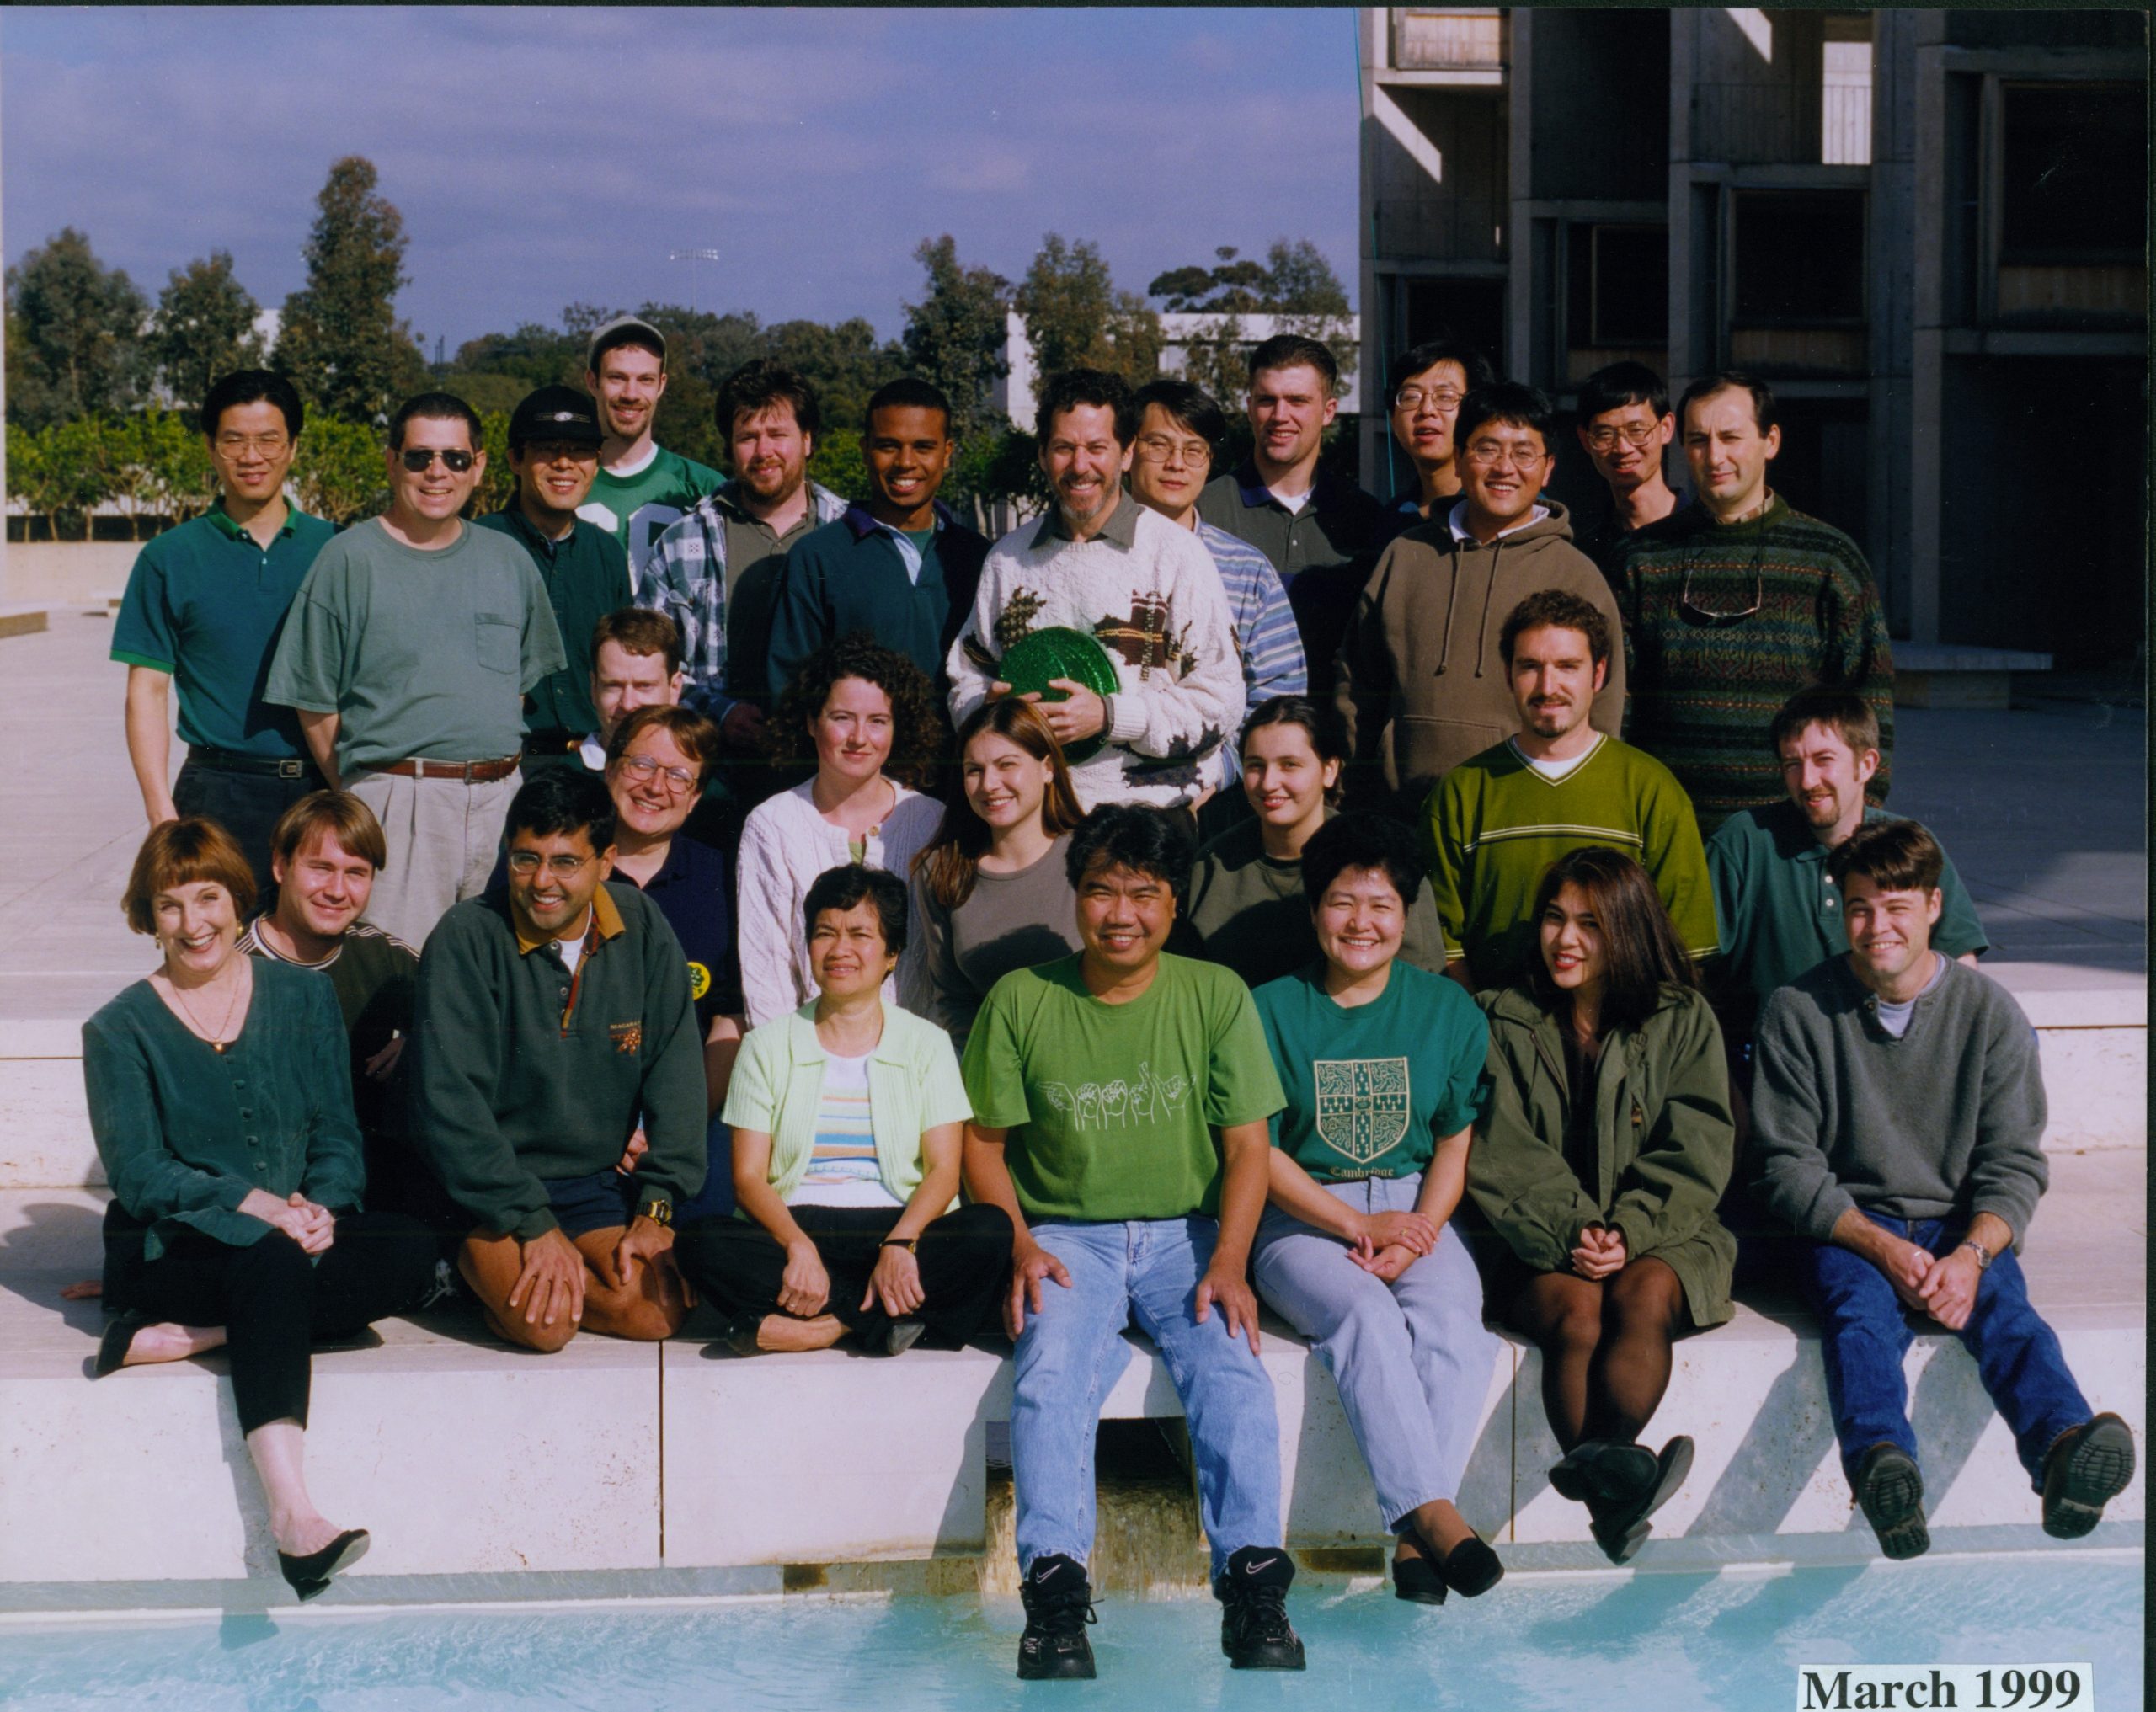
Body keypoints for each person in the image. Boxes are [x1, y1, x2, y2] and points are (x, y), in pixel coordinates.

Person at [962, 806, 1305, 1679]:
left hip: (1186, 1235)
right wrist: (1018, 1244)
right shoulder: (1023, 997)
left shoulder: (1213, 992)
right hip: (1066, 1235)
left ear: (1174, 901)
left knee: (1232, 1367)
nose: (1121, 912)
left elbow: (1246, 1146)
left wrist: (1229, 1259)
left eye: (1143, 893)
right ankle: (1055, 1600)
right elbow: (984, 1144)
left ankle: (1255, 1588)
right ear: (1074, 894)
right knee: (1049, 1371)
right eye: (1101, 889)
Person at [1748, 820, 2135, 1559]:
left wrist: (1971, 1255)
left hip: (1958, 1221)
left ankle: (2062, 1452)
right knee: (1859, 1316)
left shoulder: (1991, 1015)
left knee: (2008, 1315)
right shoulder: (1799, 1011)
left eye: (1895, 906)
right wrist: (1880, 1245)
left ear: (1932, 907)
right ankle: (1884, 1468)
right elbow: (1785, 1166)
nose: (1876, 925)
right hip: (1849, 1223)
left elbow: (2013, 1163)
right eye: (1860, 907)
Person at [83, 819, 438, 1599]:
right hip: (186, 1249)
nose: (194, 921)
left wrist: (324, 1206)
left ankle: (201, 1337)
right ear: (148, 916)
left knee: (410, 1246)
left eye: (208, 896)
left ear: (238, 897)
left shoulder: (304, 996)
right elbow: (141, 1175)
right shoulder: (118, 1028)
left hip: (293, 1236)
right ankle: (294, 1517)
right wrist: (256, 1206)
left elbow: (338, 1133)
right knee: (269, 1262)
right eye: (169, 905)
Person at [1248, 814, 1505, 1604]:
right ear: (1315, 909)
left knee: (1460, 1328)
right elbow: (1257, 1150)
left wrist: (1416, 1228)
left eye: (1382, 904)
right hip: (1299, 1217)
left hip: (1414, 1202)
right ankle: (1432, 1512)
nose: (1362, 922)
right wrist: (1356, 1225)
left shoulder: (1447, 1011)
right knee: (1363, 1310)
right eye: (1342, 902)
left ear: (1408, 914)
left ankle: (1410, 1539)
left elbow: (1453, 1143)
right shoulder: (1267, 1008)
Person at [1470, 846, 1736, 1565]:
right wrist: (1576, 1231)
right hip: (1536, 1240)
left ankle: (1600, 1465)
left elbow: (1697, 1147)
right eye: (1555, 918)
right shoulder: (1501, 1018)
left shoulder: (1682, 1019)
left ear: (1627, 928)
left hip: (1666, 1230)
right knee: (1580, 1308)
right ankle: (1619, 1484)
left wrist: (1628, 1230)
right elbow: (1500, 1150)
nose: (1566, 939)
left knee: (1644, 1290)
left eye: (1590, 923)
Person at [410, 770, 706, 1353]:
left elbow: (678, 1077)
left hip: (591, 1187)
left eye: (566, 862)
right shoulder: (465, 936)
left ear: (606, 860)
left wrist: (656, 1206)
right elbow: (451, 1107)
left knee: (656, 1311)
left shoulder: (642, 925)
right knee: (548, 1326)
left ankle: (529, 1276)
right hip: (487, 1195)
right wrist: (531, 1222)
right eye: (525, 858)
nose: (542, 881)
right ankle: (466, 1268)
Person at [264, 392, 567, 948]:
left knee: (501, 978)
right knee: (400, 985)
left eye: (454, 458)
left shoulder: (509, 561)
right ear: (391, 461)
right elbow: (315, 702)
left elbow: (520, 689)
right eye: (419, 456)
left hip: (502, 805)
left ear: (477, 466)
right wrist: (371, 793)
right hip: (397, 805)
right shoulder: (347, 560)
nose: (437, 472)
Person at [675, 866, 1012, 1356]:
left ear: (892, 954)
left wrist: (900, 1245)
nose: (840, 950)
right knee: (699, 1242)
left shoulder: (928, 1045)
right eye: (825, 933)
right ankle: (881, 1321)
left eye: (860, 934)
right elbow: (749, 1178)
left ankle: (824, 1326)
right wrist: (796, 1246)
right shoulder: (766, 1046)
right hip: (799, 1225)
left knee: (988, 1230)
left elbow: (943, 1171)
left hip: (899, 1225)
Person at [947, 368, 1246, 814]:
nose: (1080, 465)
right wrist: (988, 708)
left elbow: (1220, 701)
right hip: (1035, 820)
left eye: (1096, 448)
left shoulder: (1178, 555)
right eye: (1064, 448)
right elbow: (966, 678)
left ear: (1126, 454)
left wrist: (1110, 716)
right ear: (1043, 455)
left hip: (1149, 816)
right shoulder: (1007, 559)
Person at [1614, 371, 1895, 833]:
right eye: (1698, 440)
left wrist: (1863, 819)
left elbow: (1870, 699)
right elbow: (1616, 702)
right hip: (1668, 832)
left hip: (1792, 835)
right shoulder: (1640, 560)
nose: (1714, 456)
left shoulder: (1829, 558)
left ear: (1771, 441)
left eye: (1731, 437)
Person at [1335, 381, 1626, 814]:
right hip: (1402, 814)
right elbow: (1357, 687)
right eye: (1487, 449)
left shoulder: (1577, 575)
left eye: (1524, 453)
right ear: (1459, 457)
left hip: (1524, 815)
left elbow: (1602, 710)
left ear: (1547, 470)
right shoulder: (1406, 556)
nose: (1504, 468)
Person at [114, 369, 333, 902]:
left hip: (322, 788)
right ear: (211, 449)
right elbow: (147, 689)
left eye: (268, 440)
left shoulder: (340, 550)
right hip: (217, 792)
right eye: (234, 441)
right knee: (214, 955)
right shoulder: (168, 558)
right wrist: (162, 813)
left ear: (293, 447)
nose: (251, 456)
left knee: (327, 961)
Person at [1428, 591, 1717, 990]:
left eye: (1568, 666)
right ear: (1508, 675)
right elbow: (1441, 942)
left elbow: (1686, 946)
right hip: (1495, 1035)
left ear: (1598, 675)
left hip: (1620, 1035)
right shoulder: (1462, 791)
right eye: (1530, 666)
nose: (1549, 686)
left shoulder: (1650, 788)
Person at [1708, 686, 1987, 1066]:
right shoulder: (1743, 841)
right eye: (1792, 764)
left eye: (1824, 760)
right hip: (1767, 1061)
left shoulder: (1905, 844)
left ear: (1867, 764)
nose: (1807, 781)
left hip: (1887, 1061)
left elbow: (1961, 970)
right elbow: (1693, 974)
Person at [232, 792, 459, 1236]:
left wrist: (419, 1036)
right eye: (321, 868)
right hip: (268, 1178)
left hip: (366, 1169)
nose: (337, 891)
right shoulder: (234, 967)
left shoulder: (383, 958)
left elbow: (468, 1014)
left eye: (356, 873)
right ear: (280, 867)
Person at [638, 360, 848, 755]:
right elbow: (649, 669)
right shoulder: (681, 542)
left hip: (829, 763)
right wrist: (720, 711)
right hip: (716, 764)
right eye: (748, 437)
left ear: (807, 440)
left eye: (777, 434)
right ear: (729, 446)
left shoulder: (851, 535)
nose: (763, 451)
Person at [736, 637, 944, 1028]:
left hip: (916, 1061)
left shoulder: (931, 821)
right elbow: (766, 970)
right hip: (807, 1059)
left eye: (878, 721)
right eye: (842, 718)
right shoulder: (772, 825)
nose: (859, 737)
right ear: (813, 723)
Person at [1186, 696, 1448, 989]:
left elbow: (1422, 981)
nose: (1269, 782)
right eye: (1256, 766)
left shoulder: (1382, 858)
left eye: (1290, 765)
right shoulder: (1214, 863)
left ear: (1329, 770)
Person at [602, 703, 745, 1221]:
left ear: (698, 796)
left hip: (688, 1111)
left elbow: (730, 1018)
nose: (655, 787)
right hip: (572, 1112)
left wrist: (671, 1126)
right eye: (641, 764)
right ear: (611, 767)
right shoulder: (563, 869)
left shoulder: (719, 878)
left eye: (679, 776)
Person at [766, 377, 990, 704]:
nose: (905, 462)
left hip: (962, 756)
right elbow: (789, 691)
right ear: (865, 451)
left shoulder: (980, 557)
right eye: (888, 446)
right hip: (857, 753)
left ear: (947, 453)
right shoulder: (816, 558)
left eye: (923, 447)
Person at [1195, 333, 1391, 696]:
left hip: (1332, 741)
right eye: (1268, 400)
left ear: (1329, 410)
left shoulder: (1365, 517)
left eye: (1298, 401)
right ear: (1250, 405)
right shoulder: (1202, 511)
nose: (1280, 416)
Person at [902, 698, 1086, 1044]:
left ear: (1047, 768)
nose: (989, 784)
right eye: (975, 770)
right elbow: (953, 1001)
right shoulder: (942, 870)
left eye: (1006, 765)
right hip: (993, 1069)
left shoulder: (1090, 856)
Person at [1124, 379, 1306, 726]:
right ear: (1127, 451)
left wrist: (1221, 769)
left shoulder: (1247, 571)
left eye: (1194, 450)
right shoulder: (1087, 555)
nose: (1177, 463)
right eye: (1159, 446)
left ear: (1209, 461)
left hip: (1220, 776)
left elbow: (1280, 698)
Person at [474, 386, 632, 774]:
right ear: (515, 459)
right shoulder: (475, 547)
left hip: (593, 763)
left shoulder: (607, 553)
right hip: (502, 766)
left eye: (579, 450)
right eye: (547, 449)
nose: (564, 463)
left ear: (597, 462)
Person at [575, 315, 723, 590]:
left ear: (661, 384)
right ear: (592, 381)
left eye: (645, 379)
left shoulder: (704, 487)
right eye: (617, 378)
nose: (631, 394)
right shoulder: (564, 483)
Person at [1571, 361, 1684, 581]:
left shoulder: (1705, 536)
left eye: (1637, 431)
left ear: (1666, 428)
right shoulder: (1583, 555)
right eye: (1604, 434)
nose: (1623, 448)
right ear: (1585, 440)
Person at [1379, 338, 1497, 528]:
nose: (1426, 410)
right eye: (1410, 397)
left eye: (1445, 397)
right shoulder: (1388, 521)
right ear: (1393, 419)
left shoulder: (1507, 510)